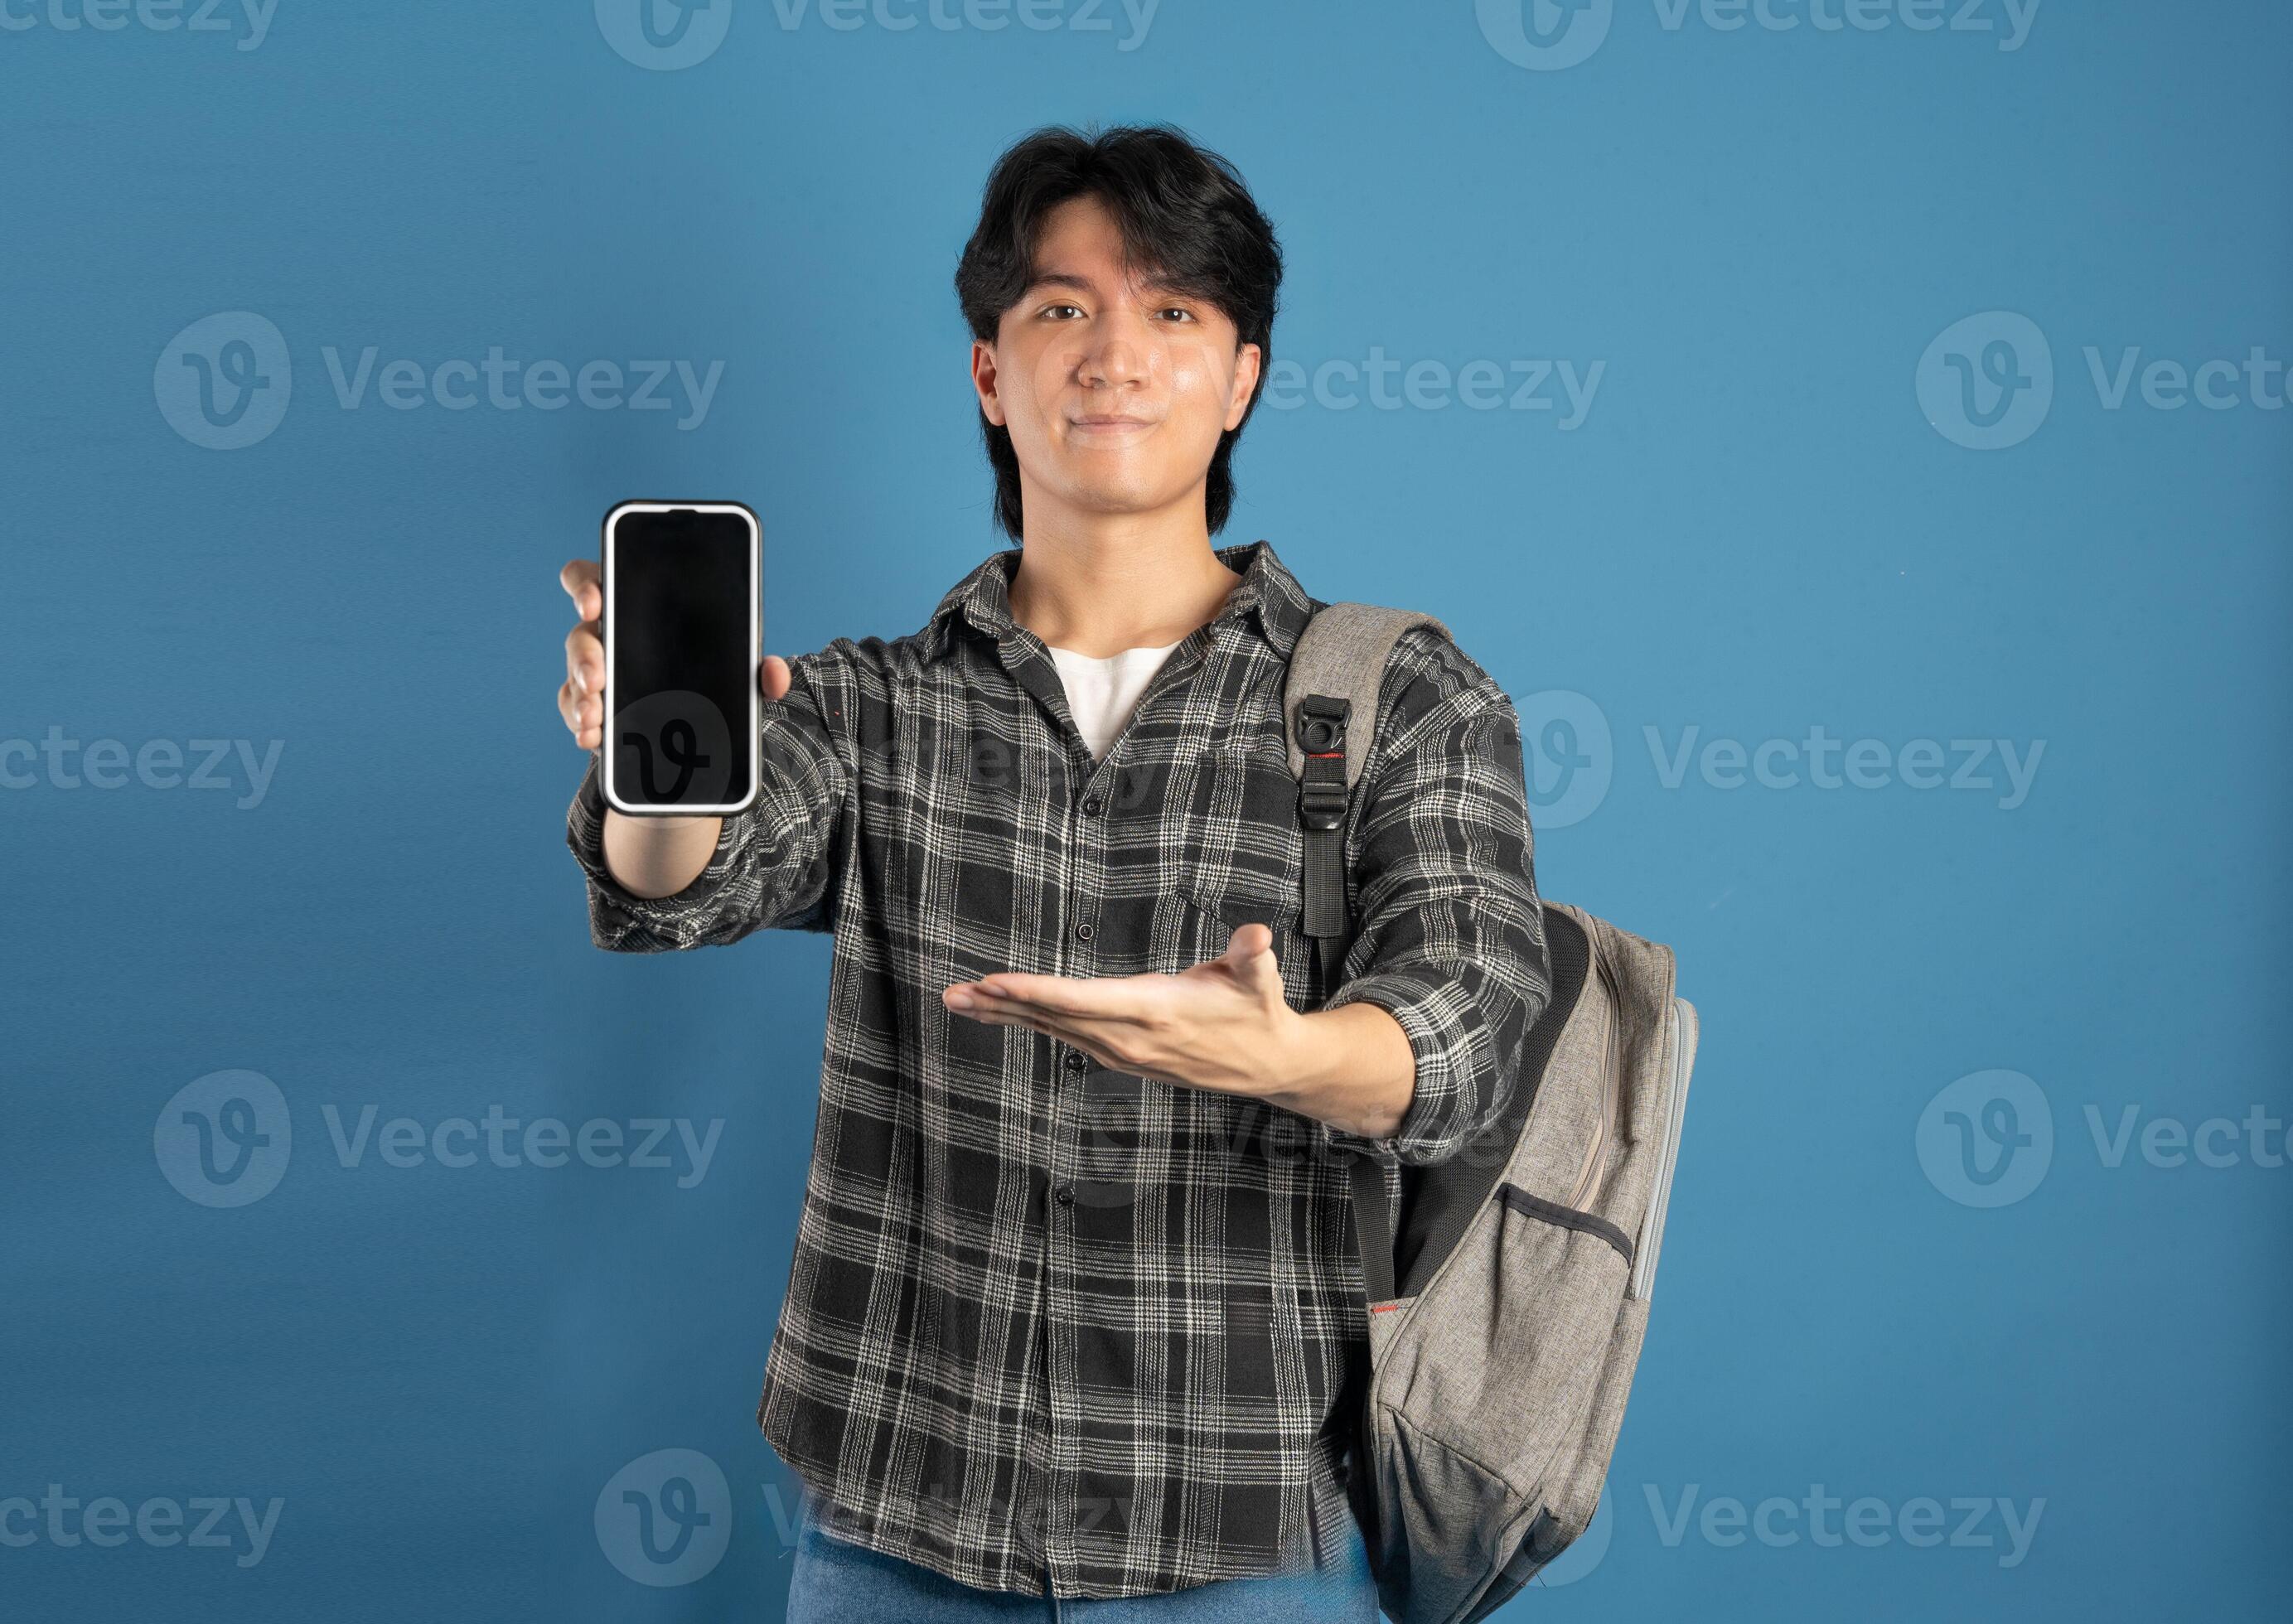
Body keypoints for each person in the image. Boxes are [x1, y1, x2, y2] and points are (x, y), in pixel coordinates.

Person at [554, 124, 1551, 1620]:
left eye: (1173, 312)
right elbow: (682, 886)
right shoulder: (863, 704)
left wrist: (1289, 1055)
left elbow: (1470, 1025)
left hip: (1247, 1526)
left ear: (1242, 377)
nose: (1115, 355)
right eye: (1063, 308)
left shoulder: (1400, 696)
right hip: (899, 1526)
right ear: (989, 371)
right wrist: (650, 762)